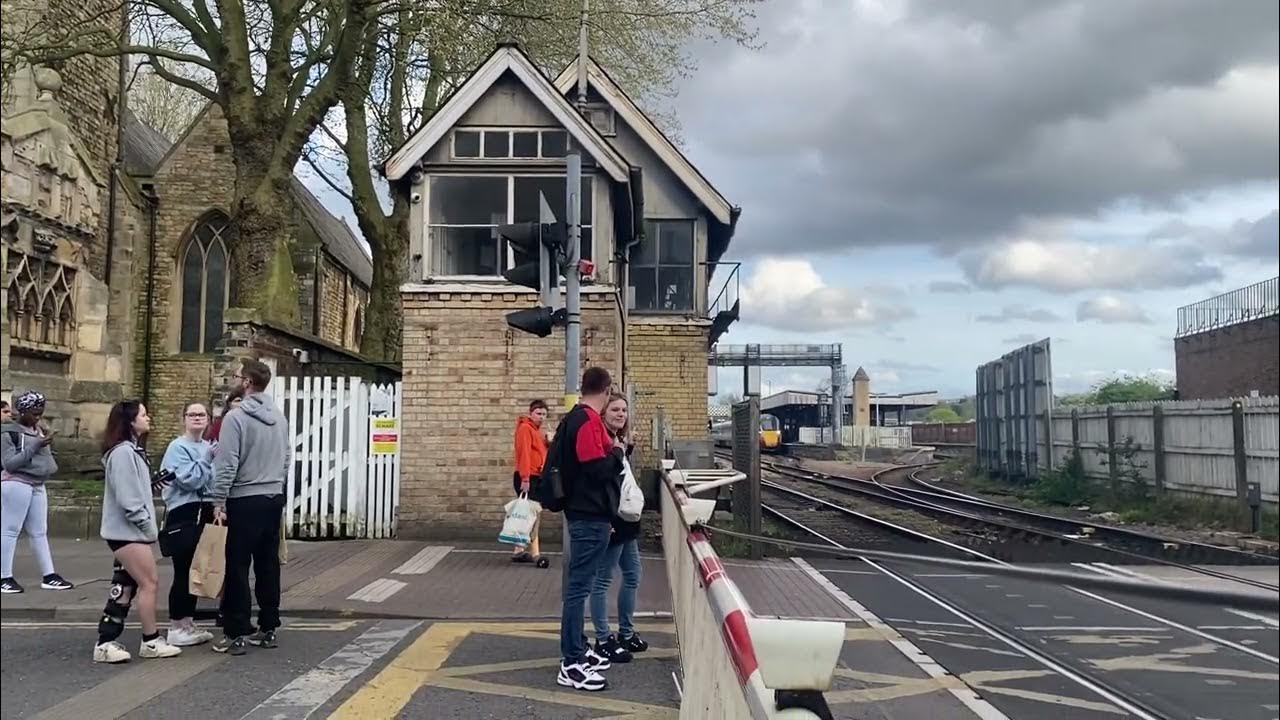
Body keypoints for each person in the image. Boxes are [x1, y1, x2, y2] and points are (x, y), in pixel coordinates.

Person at [210, 359, 290, 656]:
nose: (234, 379)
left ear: (246, 383)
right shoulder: (279, 417)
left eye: (237, 375)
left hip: (244, 498)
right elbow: (286, 457)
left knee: (237, 567)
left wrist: (219, 500)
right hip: (273, 497)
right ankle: (268, 627)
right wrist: (275, 483)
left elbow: (227, 463)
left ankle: (236, 632)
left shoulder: (236, 418)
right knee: (268, 565)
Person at [94, 400, 182, 663]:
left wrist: (150, 486)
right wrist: (148, 528)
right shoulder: (123, 453)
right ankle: (150, 641)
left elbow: (133, 490)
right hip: (128, 532)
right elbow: (128, 500)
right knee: (149, 583)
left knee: (124, 587)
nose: (148, 417)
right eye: (143, 414)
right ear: (130, 421)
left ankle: (106, 641)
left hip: (127, 532)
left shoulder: (130, 451)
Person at [556, 366, 626, 692]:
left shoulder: (579, 418)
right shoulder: (586, 420)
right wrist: (617, 454)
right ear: (607, 390)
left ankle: (578, 648)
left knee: (579, 588)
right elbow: (595, 469)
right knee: (578, 590)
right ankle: (571, 662)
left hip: (590, 516)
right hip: (587, 517)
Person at [589, 393, 649, 664]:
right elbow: (601, 481)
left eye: (624, 410)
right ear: (603, 413)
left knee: (633, 574)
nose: (621, 414)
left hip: (627, 520)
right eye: (615, 409)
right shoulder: (602, 440)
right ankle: (603, 639)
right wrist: (607, 519)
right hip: (613, 519)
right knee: (602, 580)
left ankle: (626, 633)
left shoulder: (618, 441)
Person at [2, 391, 73, 594]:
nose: (38, 416)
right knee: (10, 530)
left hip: (37, 484)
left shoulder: (38, 430)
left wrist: (43, 442)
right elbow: (10, 464)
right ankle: (4, 577)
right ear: (22, 412)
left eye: (40, 412)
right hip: (16, 483)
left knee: (39, 532)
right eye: (34, 413)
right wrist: (36, 445)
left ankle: (49, 575)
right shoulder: (8, 433)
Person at [159, 402, 216, 647]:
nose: (197, 418)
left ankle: (188, 624)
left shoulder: (207, 446)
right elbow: (189, 481)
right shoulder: (177, 447)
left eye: (201, 414)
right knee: (183, 571)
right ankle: (176, 626)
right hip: (183, 512)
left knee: (197, 571)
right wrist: (206, 460)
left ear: (208, 419)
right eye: (192, 414)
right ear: (183, 419)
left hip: (204, 511)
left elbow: (213, 481)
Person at [511, 399, 550, 567]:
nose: (541, 417)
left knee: (530, 514)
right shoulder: (525, 429)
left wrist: (548, 443)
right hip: (528, 477)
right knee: (533, 514)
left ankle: (519, 550)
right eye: (538, 413)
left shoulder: (537, 432)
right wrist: (525, 478)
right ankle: (535, 553)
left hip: (535, 476)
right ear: (531, 413)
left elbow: (540, 454)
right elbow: (524, 454)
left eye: (544, 414)